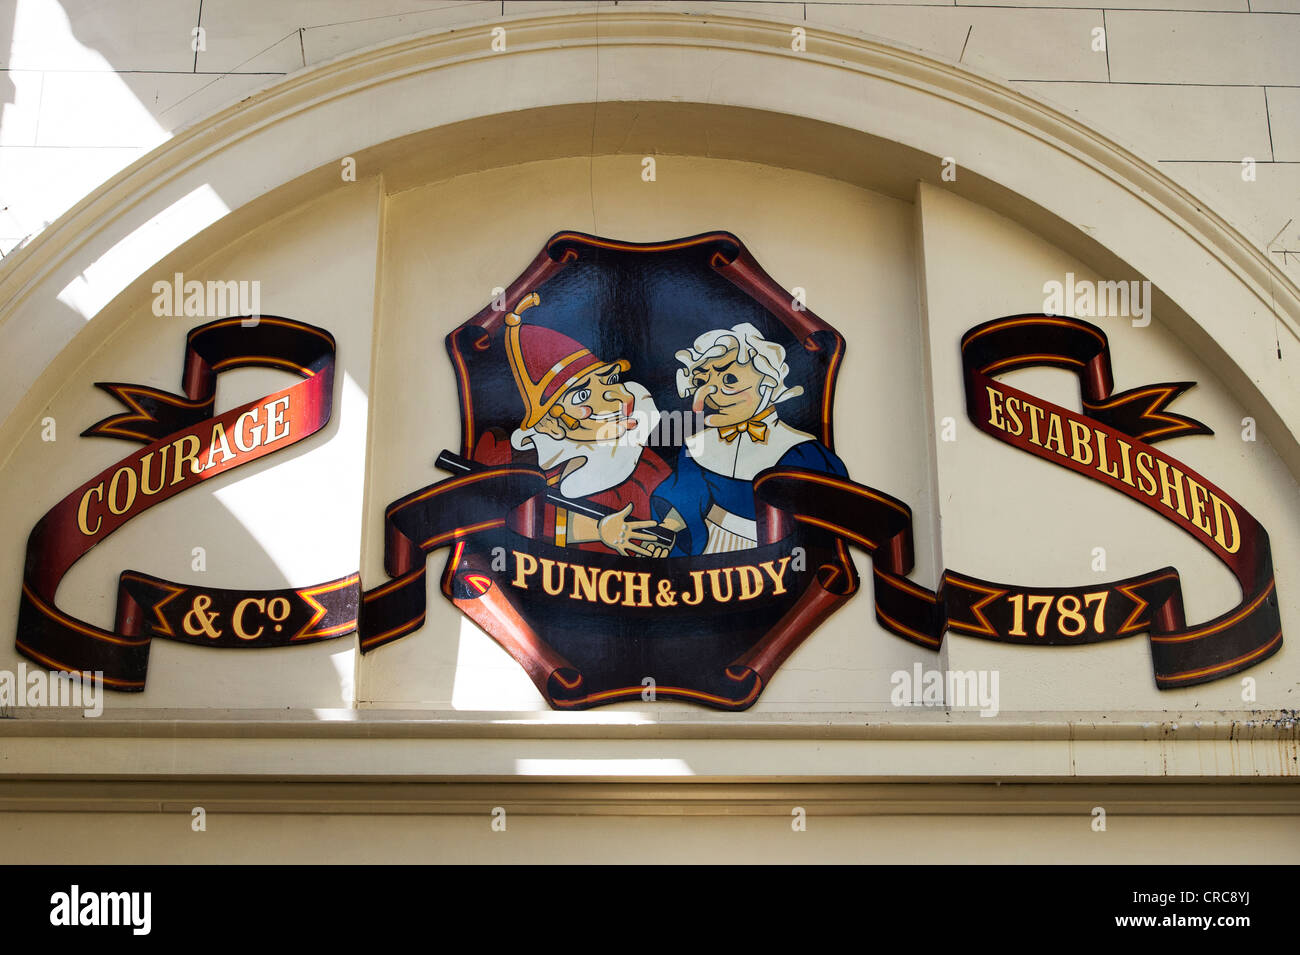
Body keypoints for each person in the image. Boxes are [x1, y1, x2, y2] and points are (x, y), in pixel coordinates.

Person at [472, 293, 672, 556]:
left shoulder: (646, 467)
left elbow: (676, 518)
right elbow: (505, 522)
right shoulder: (516, 465)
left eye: (609, 381)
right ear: (549, 425)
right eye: (582, 396)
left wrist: (664, 538)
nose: (611, 399)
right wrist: (598, 531)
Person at [652, 322, 847, 556]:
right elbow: (688, 495)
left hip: (775, 557)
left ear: (767, 381)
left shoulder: (802, 451)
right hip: (709, 551)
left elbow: (825, 524)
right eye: (703, 382)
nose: (710, 395)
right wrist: (667, 530)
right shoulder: (697, 447)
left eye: (729, 380)